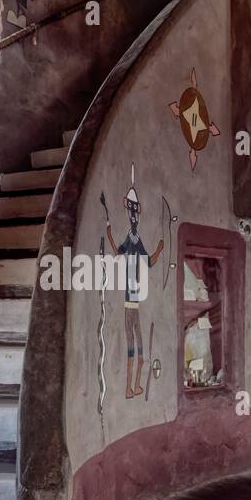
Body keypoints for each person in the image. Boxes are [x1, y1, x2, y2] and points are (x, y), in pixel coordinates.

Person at [104, 166, 164, 397]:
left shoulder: (135, 238)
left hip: (135, 304)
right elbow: (132, 257)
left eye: (135, 210)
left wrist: (157, 250)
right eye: (131, 209)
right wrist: (110, 236)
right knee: (134, 349)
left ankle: (134, 387)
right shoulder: (131, 238)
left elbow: (148, 261)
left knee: (139, 350)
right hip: (130, 305)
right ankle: (130, 388)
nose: (134, 215)